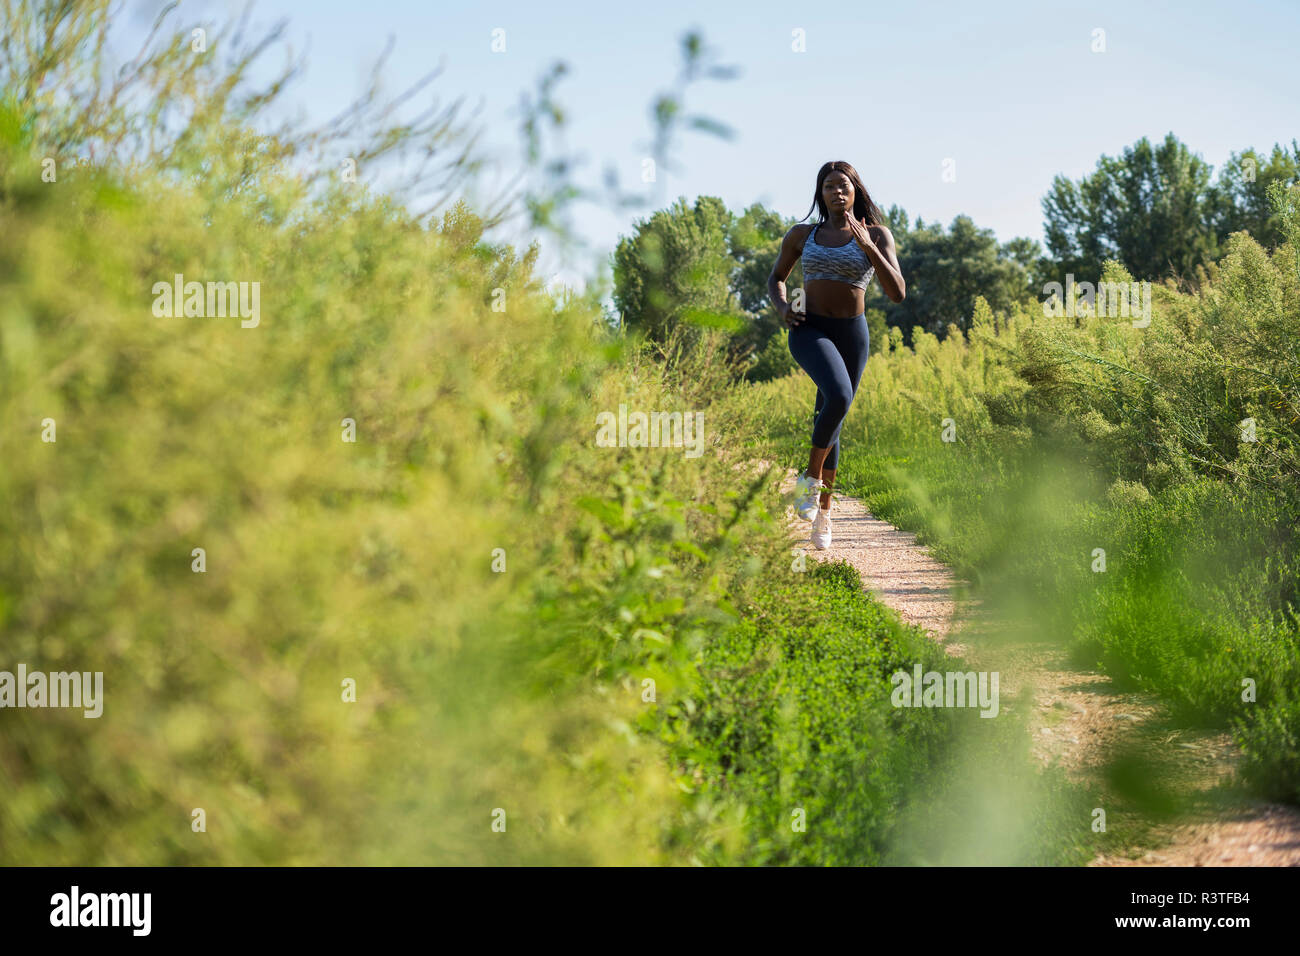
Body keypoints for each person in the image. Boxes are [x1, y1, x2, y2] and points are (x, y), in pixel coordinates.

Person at [766, 161, 906, 549]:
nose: (836, 192)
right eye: (829, 186)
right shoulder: (802, 234)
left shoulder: (877, 234)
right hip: (809, 329)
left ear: (856, 191)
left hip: (852, 333)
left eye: (843, 185)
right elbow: (776, 277)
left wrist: (868, 248)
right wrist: (782, 308)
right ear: (820, 193)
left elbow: (897, 292)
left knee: (833, 416)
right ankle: (810, 481)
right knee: (839, 398)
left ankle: (824, 516)